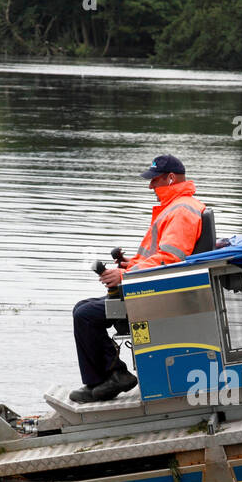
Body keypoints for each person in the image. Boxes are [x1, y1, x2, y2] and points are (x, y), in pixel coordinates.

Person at [71, 155, 206, 403]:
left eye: (154, 180)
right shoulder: (176, 207)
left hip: (160, 295)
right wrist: (130, 264)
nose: (150, 186)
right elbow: (159, 256)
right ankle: (108, 377)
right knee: (83, 308)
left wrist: (124, 274)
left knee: (85, 315)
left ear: (171, 178)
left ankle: (113, 377)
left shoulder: (181, 211)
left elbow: (171, 259)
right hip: (151, 285)